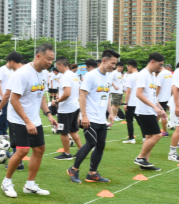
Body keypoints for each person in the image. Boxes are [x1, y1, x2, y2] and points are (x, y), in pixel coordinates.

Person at [1, 44, 57, 197]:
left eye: (52, 59)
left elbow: (40, 96)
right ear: (38, 56)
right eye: (48, 59)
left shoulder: (44, 74)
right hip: (18, 119)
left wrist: (49, 114)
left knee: (39, 150)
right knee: (22, 151)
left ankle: (30, 185)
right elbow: (13, 100)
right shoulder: (23, 74)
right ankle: (6, 182)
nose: (50, 62)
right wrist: (27, 121)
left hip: (34, 119)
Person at [67, 49, 119, 184]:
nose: (114, 66)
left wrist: (111, 113)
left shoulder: (108, 76)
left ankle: (92, 173)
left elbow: (106, 95)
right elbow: (82, 95)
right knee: (91, 143)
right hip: (89, 117)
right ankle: (73, 169)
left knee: (101, 145)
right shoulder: (90, 76)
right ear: (104, 61)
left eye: (115, 64)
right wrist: (83, 116)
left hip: (101, 117)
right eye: (112, 63)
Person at [134, 53, 167, 171]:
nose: (161, 67)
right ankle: (140, 157)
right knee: (157, 135)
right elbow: (138, 94)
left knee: (149, 137)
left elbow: (153, 97)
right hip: (144, 111)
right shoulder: (143, 74)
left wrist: (160, 108)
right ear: (152, 62)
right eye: (160, 64)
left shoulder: (153, 75)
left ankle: (145, 163)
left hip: (150, 110)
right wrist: (155, 107)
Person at [53, 56, 82, 160]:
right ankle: (81, 150)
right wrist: (60, 96)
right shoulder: (74, 75)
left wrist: (56, 101)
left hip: (66, 109)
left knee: (63, 131)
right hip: (74, 106)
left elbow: (67, 93)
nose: (57, 69)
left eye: (57, 66)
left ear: (61, 65)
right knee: (73, 130)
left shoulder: (65, 76)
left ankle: (67, 154)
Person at [0, 52, 22, 140]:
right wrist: (2, 94)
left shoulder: (12, 71)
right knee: (3, 114)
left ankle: (4, 132)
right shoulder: (2, 69)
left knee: (8, 115)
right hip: (4, 96)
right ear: (9, 61)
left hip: (10, 96)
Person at [122, 59, 140, 144]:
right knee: (141, 122)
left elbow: (128, 91)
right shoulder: (141, 75)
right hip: (140, 102)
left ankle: (131, 138)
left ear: (130, 66)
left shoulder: (131, 77)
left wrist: (126, 103)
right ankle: (144, 137)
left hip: (132, 102)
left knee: (129, 121)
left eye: (127, 67)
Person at [156, 64, 174, 136]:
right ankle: (155, 130)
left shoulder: (161, 74)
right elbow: (172, 86)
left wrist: (155, 96)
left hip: (161, 98)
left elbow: (158, 87)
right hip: (168, 97)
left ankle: (165, 131)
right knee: (158, 114)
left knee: (161, 115)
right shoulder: (170, 73)